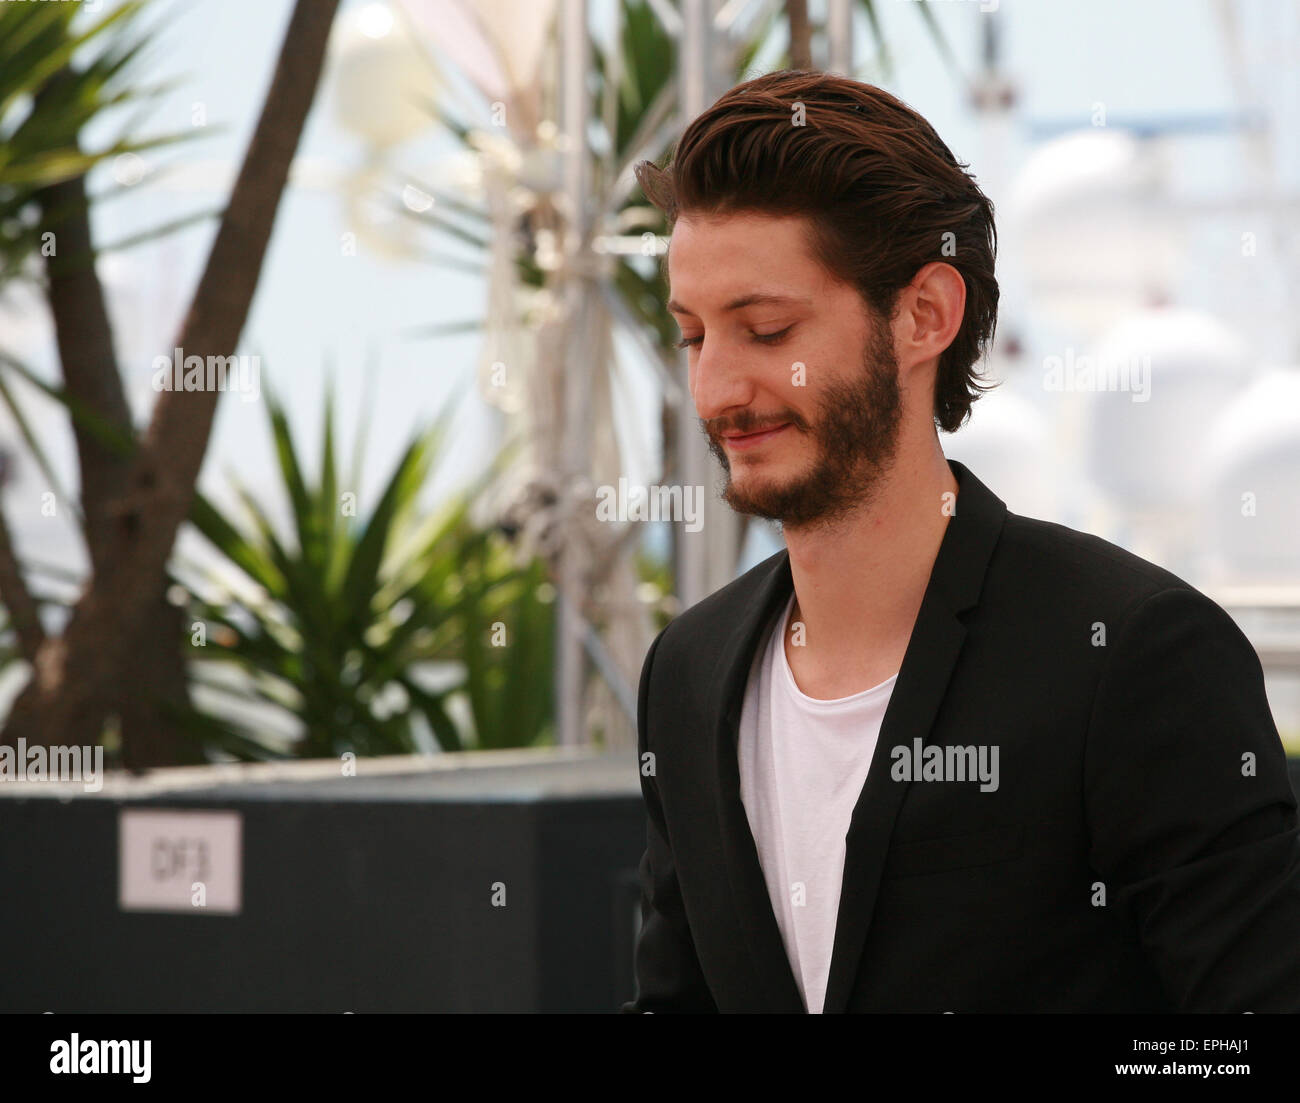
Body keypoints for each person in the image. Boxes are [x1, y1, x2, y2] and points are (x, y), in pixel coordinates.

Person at [619, 69, 1300, 1013]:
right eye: (694, 337)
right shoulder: (688, 673)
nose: (718, 387)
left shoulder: (1132, 656)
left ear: (924, 314)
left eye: (767, 330)